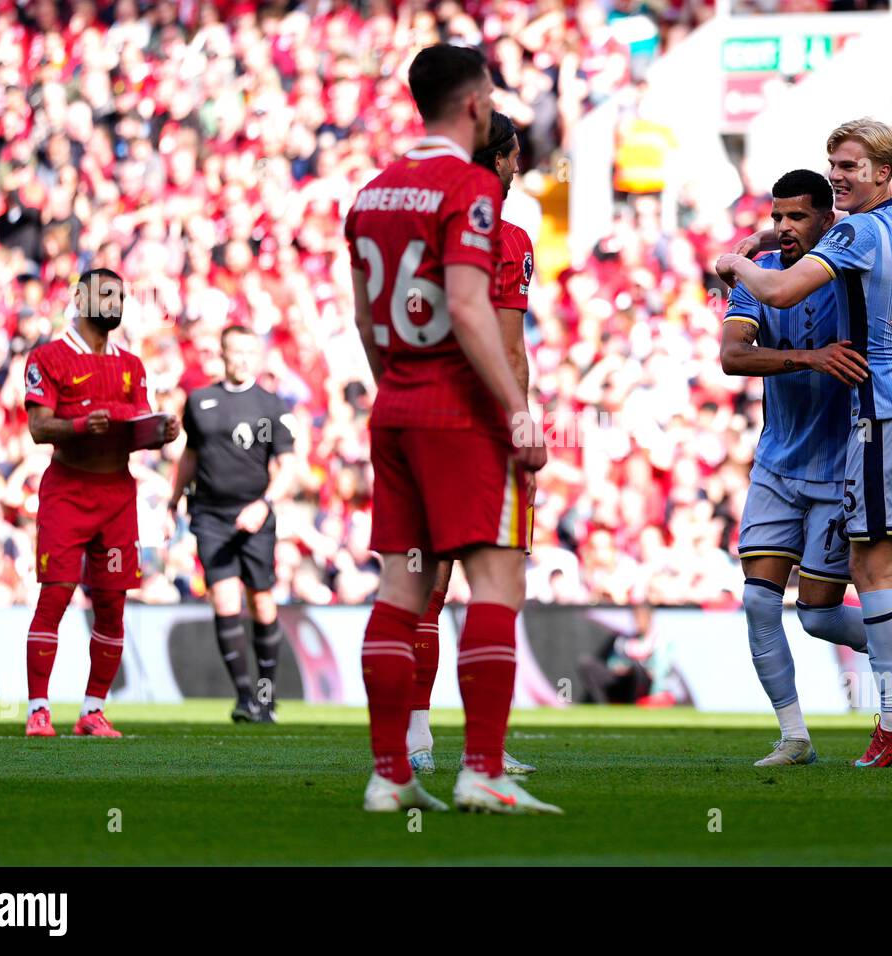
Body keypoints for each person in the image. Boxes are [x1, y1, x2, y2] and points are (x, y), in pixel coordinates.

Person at [716, 119, 892, 768]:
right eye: (833, 165)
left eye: (849, 166)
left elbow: (782, 287)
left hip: (884, 413)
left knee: (874, 568)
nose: (839, 174)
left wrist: (736, 261)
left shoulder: (849, 232)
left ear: (881, 170)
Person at [343, 44, 558, 813]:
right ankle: (483, 771)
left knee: (401, 586)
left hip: (394, 403)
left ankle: (391, 773)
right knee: (496, 580)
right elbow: (471, 309)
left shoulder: (371, 193)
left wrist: (391, 387)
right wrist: (518, 412)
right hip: (459, 411)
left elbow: (369, 321)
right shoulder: (470, 189)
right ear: (474, 105)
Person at [405, 111, 538, 777]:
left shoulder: (416, 218)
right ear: (503, 157)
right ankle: (486, 749)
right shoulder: (506, 236)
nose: (520, 167)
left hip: (412, 415)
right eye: (516, 156)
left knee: (419, 588)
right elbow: (510, 350)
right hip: (480, 427)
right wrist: (523, 425)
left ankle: (412, 744)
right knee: (494, 586)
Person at [22, 268, 181, 737]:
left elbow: (136, 432)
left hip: (116, 495)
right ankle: (38, 709)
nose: (113, 302)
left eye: (119, 295)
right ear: (79, 296)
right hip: (68, 493)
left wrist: (159, 434)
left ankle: (93, 711)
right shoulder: (48, 357)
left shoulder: (132, 364)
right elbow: (37, 428)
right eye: (104, 293)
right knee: (55, 595)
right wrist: (77, 427)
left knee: (112, 604)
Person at [170, 325, 297, 723]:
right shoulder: (200, 401)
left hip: (256, 514)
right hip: (209, 515)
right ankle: (245, 699)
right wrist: (173, 500)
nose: (240, 359)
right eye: (233, 352)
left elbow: (289, 467)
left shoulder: (271, 405)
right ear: (221, 355)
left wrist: (265, 503)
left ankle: (266, 695)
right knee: (224, 600)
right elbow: (190, 455)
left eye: (247, 352)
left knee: (261, 600)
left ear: (256, 356)